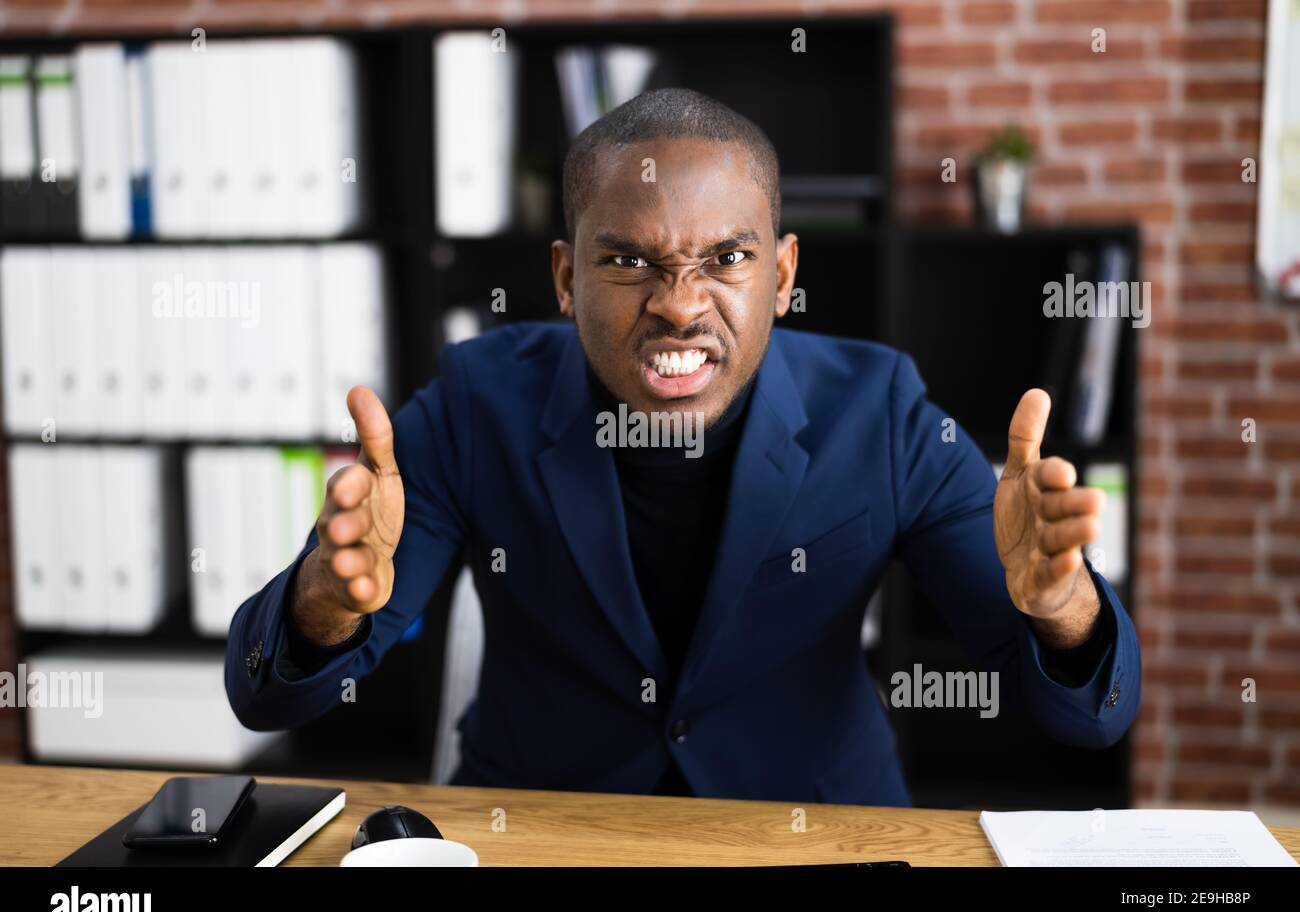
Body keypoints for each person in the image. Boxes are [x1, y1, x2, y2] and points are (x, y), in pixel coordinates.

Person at [226, 88, 1139, 805]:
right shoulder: (476, 403)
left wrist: (1063, 612)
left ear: (781, 276)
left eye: (726, 260)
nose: (679, 303)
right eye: (629, 261)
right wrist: (321, 606)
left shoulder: (882, 412)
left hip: (808, 830)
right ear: (565, 277)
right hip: (544, 829)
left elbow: (1088, 718)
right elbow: (269, 699)